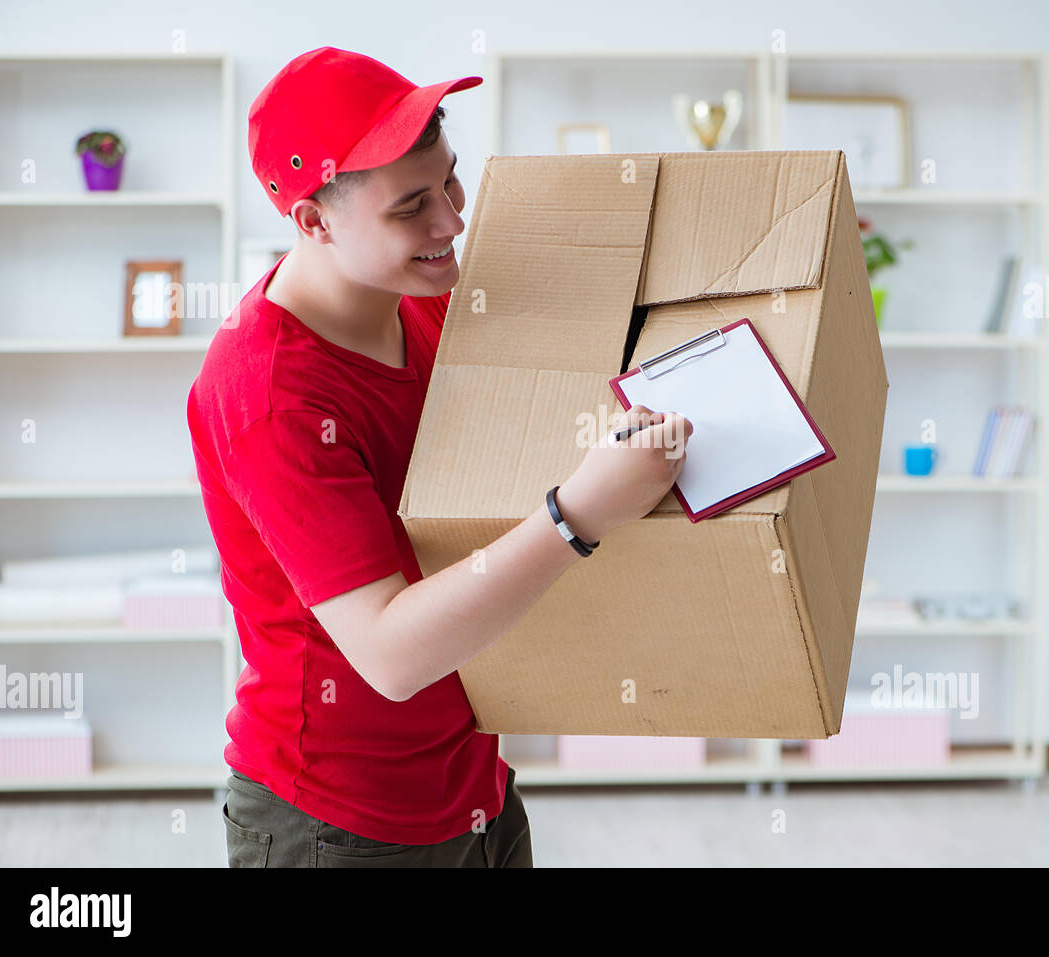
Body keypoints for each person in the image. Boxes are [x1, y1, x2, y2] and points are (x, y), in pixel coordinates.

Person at [186, 46, 692, 867]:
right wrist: (578, 515)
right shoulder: (269, 397)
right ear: (313, 221)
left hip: (474, 785)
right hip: (339, 824)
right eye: (411, 206)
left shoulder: (431, 303)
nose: (452, 221)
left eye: (451, 181)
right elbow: (390, 654)